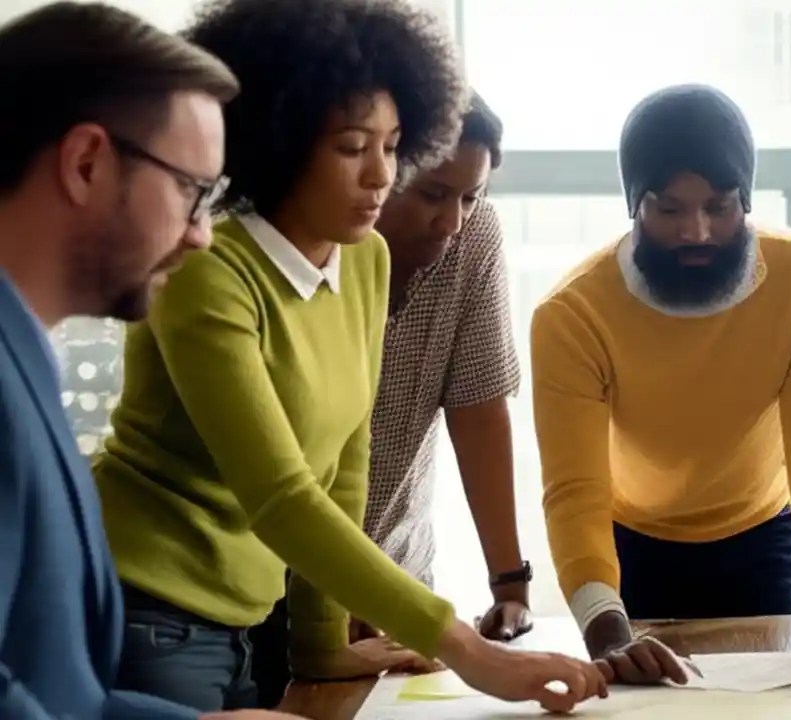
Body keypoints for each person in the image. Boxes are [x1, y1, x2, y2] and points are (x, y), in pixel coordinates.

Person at [90, 0, 606, 713]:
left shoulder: (366, 261)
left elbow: (341, 471)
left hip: (245, 621)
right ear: (283, 140)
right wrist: (469, 650)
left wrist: (321, 645)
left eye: (393, 147)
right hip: (147, 613)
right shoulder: (207, 268)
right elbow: (282, 497)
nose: (380, 176)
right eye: (352, 147)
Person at [530, 83, 791, 683]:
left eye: (719, 206)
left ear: (746, 199)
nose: (697, 231)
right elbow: (574, 489)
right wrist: (605, 629)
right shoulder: (570, 314)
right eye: (669, 209)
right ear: (634, 205)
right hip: (627, 543)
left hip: (760, 536)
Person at [0, 3, 294, 719]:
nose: (201, 236)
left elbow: (58, 691)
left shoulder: (26, 358)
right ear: (86, 163)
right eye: (194, 194)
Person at [365, 92, 530, 642]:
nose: (451, 222)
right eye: (432, 193)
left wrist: (509, 585)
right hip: (265, 586)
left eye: (471, 196)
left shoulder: (473, 233)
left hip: (394, 574)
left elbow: (480, 411)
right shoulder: (317, 249)